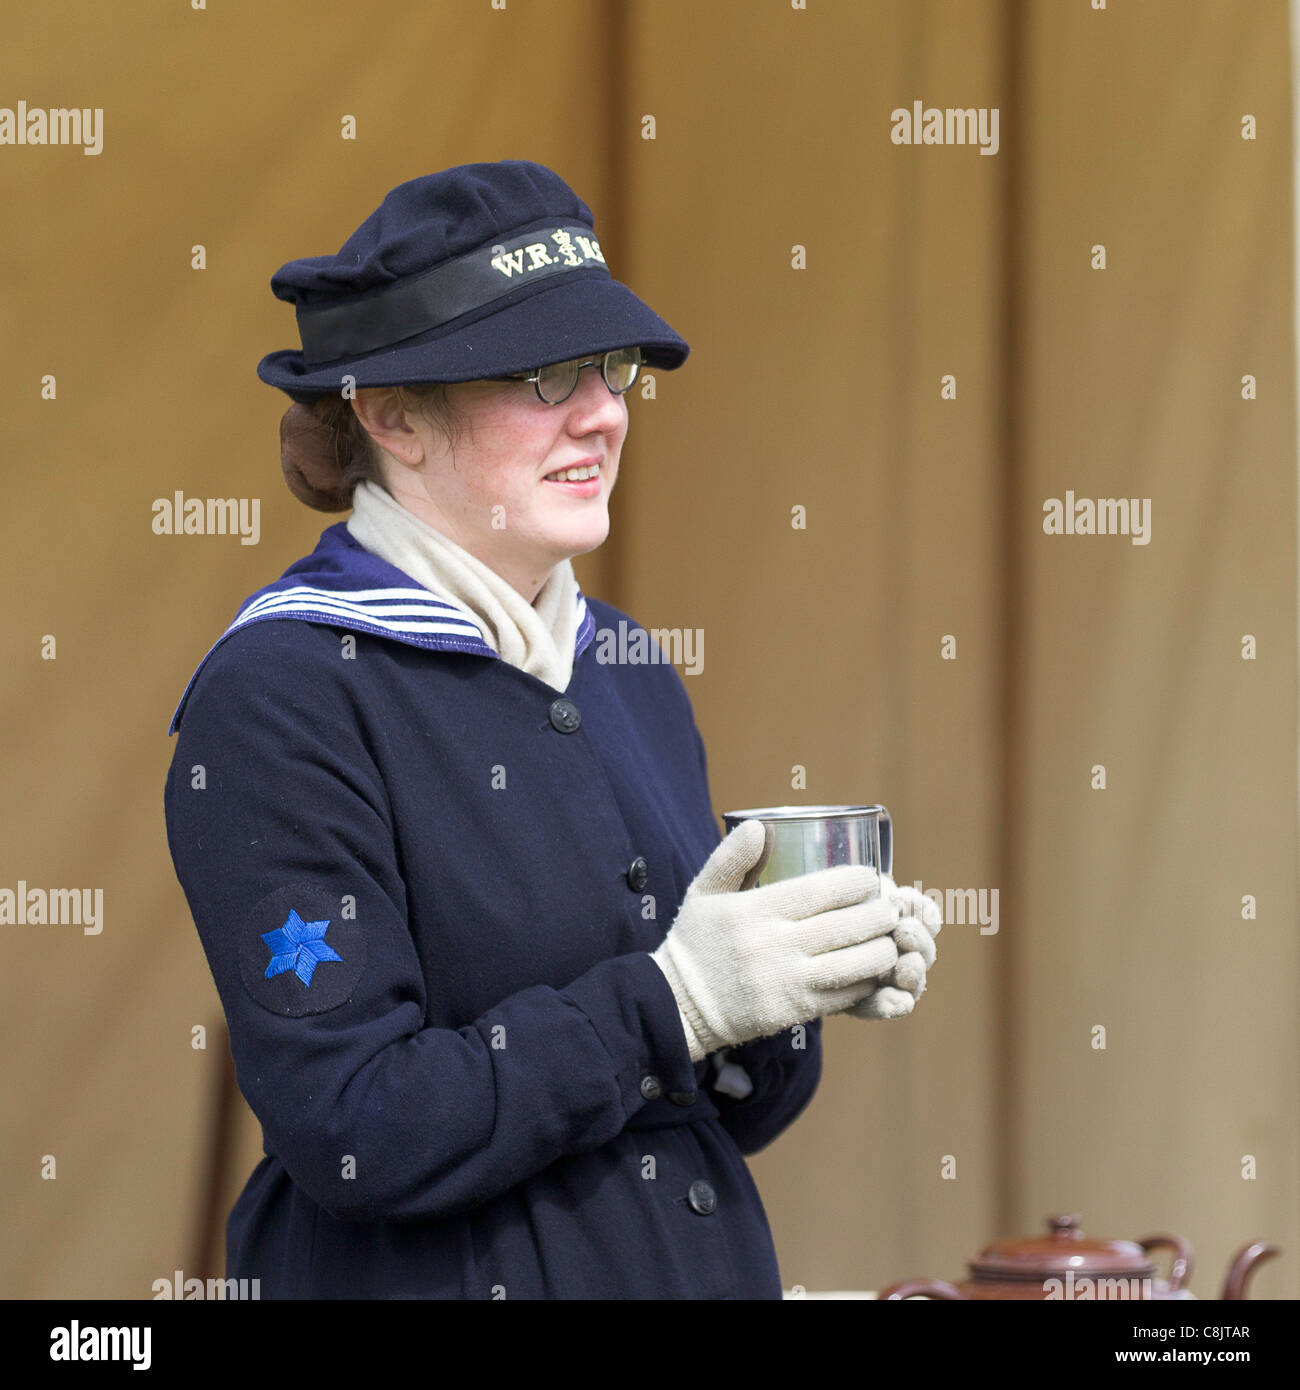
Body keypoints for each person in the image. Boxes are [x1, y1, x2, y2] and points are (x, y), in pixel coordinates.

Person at [163, 160, 942, 1300]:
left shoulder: (624, 662)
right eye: (542, 374)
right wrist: (676, 1001)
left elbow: (703, 1114)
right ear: (390, 416)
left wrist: (786, 994)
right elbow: (354, 1126)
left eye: (611, 368)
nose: (603, 411)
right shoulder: (282, 691)